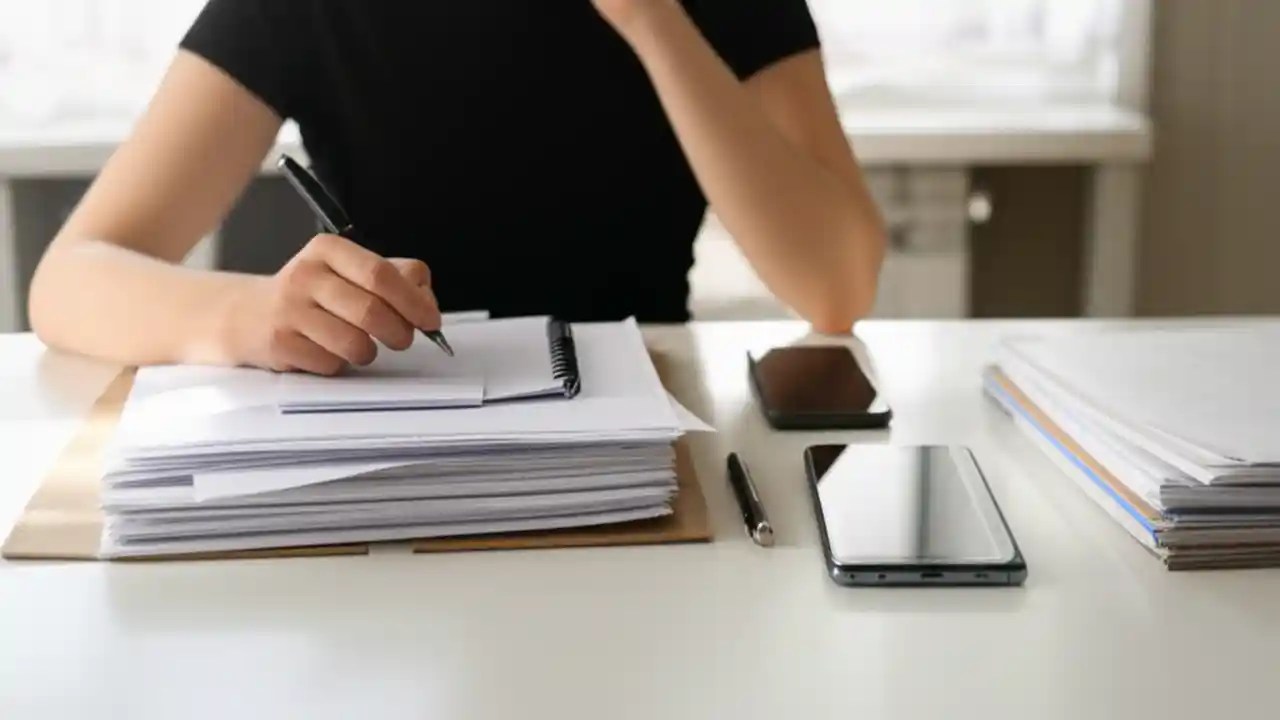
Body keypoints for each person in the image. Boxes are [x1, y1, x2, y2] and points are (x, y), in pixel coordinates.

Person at [28, 0, 886, 376]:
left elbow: (838, 286)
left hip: (645, 452)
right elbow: (70, 280)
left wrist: (652, 19)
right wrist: (252, 316)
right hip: (393, 450)